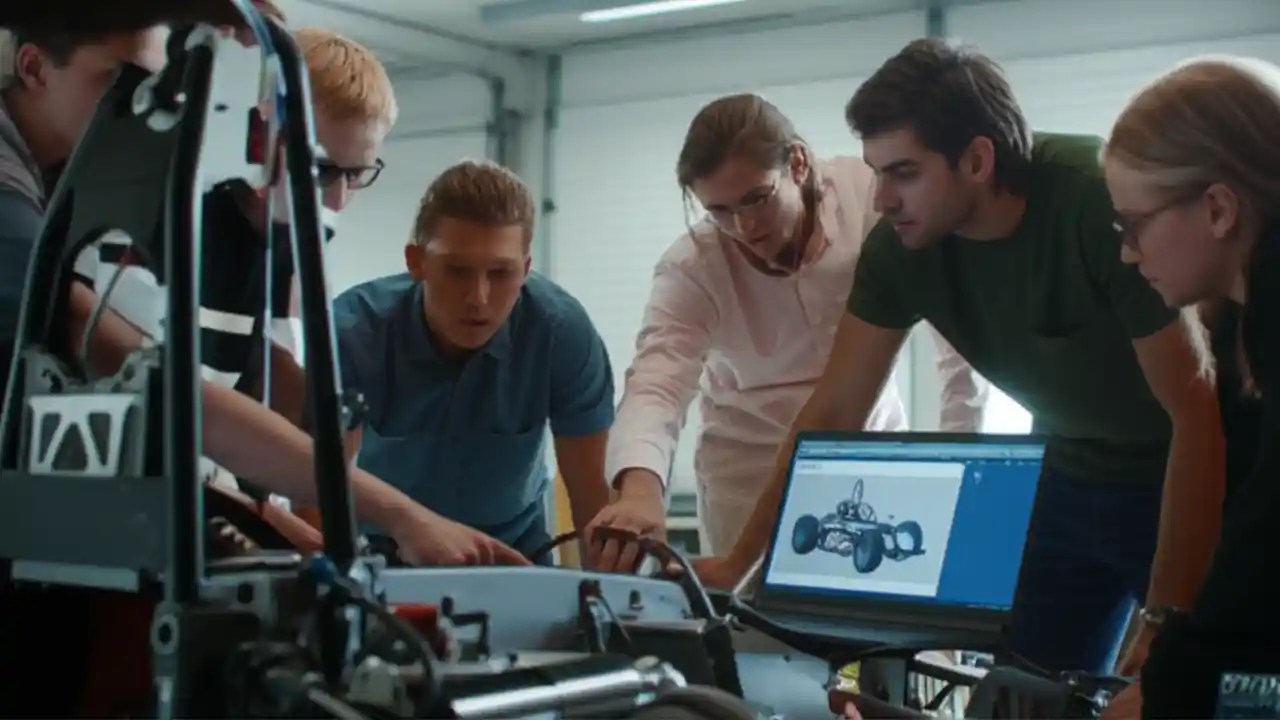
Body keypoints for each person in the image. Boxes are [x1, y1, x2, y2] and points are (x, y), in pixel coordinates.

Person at [694, 37, 1226, 680]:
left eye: (903, 172)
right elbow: (832, 410)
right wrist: (736, 565)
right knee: (1018, 697)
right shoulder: (901, 250)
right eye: (875, 170)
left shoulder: (1096, 202)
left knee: (1190, 688)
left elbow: (1195, 413)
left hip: (1187, 471)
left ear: (977, 160)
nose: (882, 198)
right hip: (1066, 471)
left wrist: (1168, 619)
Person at [0, 14, 526, 566]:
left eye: (356, 176)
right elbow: (162, 395)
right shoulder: (116, 223)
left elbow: (244, 410)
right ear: (251, 128)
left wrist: (277, 514)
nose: (336, 202)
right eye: (317, 170)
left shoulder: (266, 254)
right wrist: (400, 513)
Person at [595, 92, 986, 568]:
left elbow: (962, 349)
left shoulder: (875, 202)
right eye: (718, 210)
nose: (743, 226)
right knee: (754, 631)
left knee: (883, 627)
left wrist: (964, 467)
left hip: (871, 454)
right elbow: (657, 385)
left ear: (798, 163)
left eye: (756, 198)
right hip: (747, 477)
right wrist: (640, 490)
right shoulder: (692, 266)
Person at [1098, 55, 1280, 720]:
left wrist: (1171, 687)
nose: (1126, 251)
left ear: (1218, 208)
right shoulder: (1243, 326)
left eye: (1133, 224)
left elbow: (1261, 575)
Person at [332, 159, 622, 566]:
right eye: (457, 270)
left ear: (524, 270)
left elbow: (593, 500)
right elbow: (317, 487)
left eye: (500, 273)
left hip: (516, 557)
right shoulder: (353, 331)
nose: (478, 298)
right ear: (416, 262)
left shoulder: (561, 332)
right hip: (387, 556)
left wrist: (608, 611)